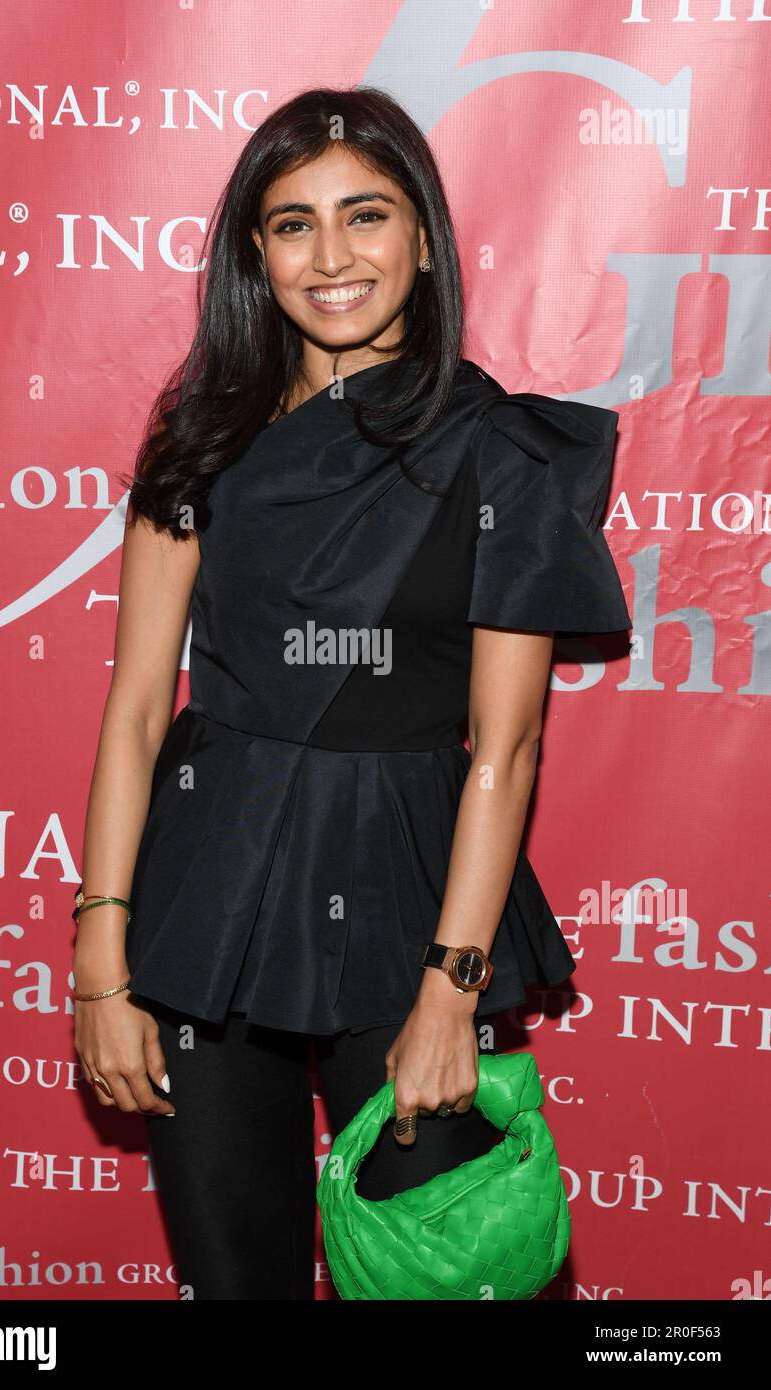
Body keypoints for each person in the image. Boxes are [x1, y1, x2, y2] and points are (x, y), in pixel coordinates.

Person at [71, 85, 631, 1301]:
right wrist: (102, 966)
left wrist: (451, 987)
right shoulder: (203, 439)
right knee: (233, 1281)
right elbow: (131, 715)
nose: (332, 257)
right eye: (291, 224)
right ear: (253, 253)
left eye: (365, 216)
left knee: (434, 1278)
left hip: (411, 898)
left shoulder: (499, 451)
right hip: (210, 894)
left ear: (422, 239)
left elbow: (507, 743)